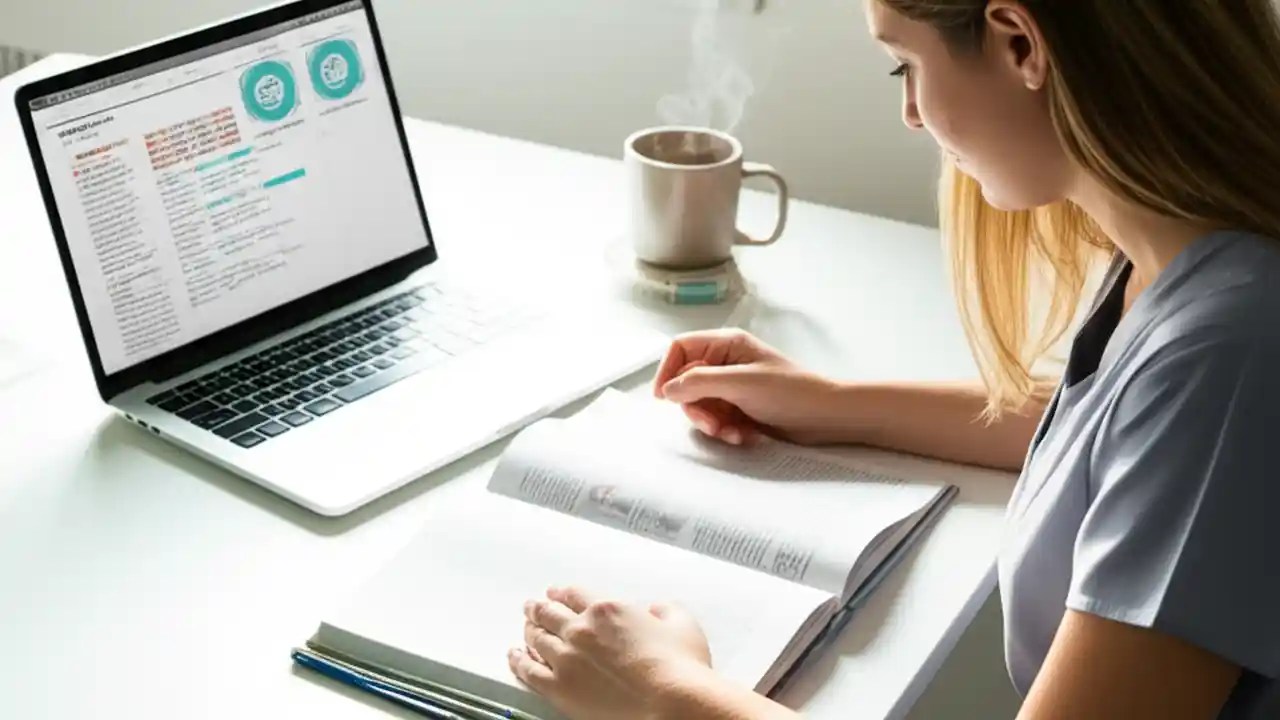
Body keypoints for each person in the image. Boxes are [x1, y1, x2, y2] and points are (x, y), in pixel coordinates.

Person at [507, 1, 1280, 717]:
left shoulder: (1230, 351)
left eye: (902, 65)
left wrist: (662, 693)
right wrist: (833, 402)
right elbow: (1126, 435)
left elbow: (1186, 422)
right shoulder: (1184, 258)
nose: (909, 113)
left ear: (1020, 43)